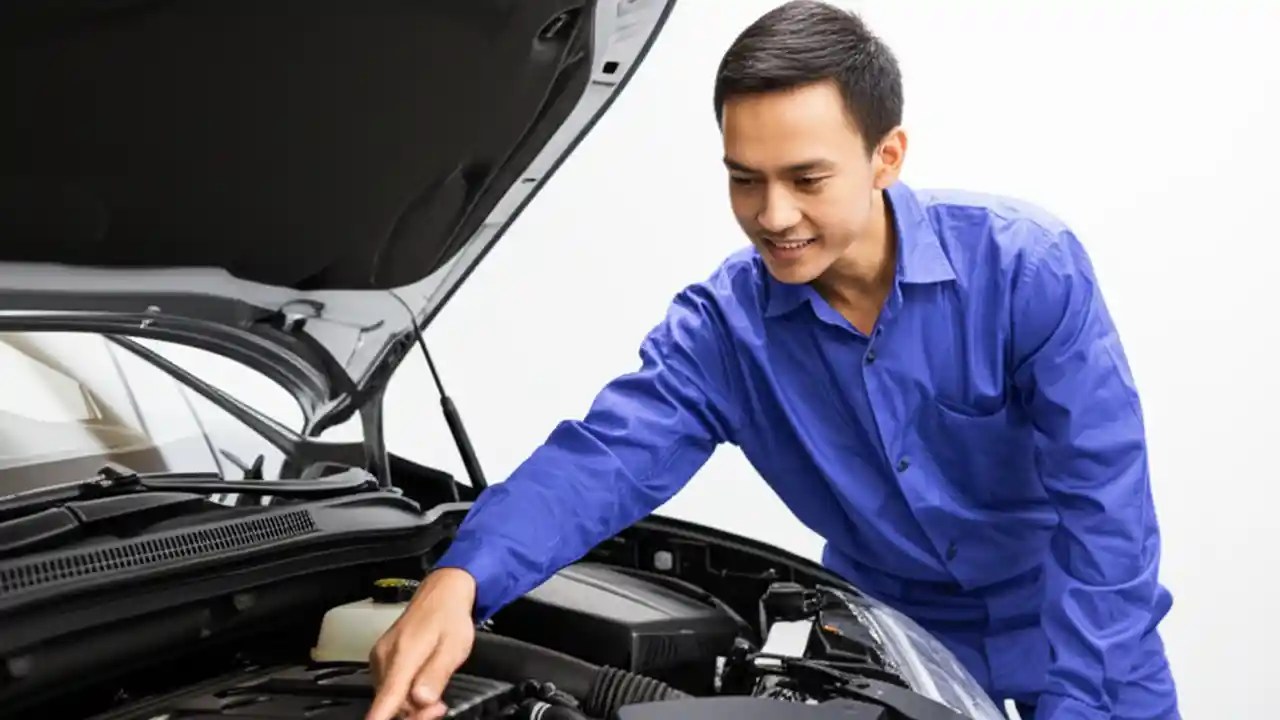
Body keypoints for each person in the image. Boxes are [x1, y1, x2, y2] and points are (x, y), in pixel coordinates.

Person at [365, 2, 1179, 719]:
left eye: (807, 178)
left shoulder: (1026, 270)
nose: (773, 215)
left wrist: (1083, 705)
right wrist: (462, 581)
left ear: (887, 156)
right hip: (907, 645)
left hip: (1084, 622)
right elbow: (602, 460)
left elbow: (1106, 512)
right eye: (745, 180)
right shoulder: (724, 332)